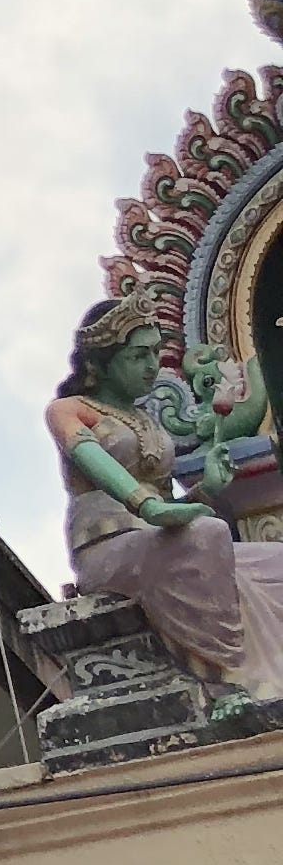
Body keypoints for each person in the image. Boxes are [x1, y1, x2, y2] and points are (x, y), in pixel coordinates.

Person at [48, 292, 283, 708]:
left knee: (274, 561)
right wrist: (149, 508)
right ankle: (231, 680)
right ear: (97, 364)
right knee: (208, 533)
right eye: (138, 356)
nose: (152, 366)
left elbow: (171, 503)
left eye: (155, 353)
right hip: (107, 551)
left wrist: (207, 487)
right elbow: (93, 458)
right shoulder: (69, 410)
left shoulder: (146, 421)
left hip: (157, 542)